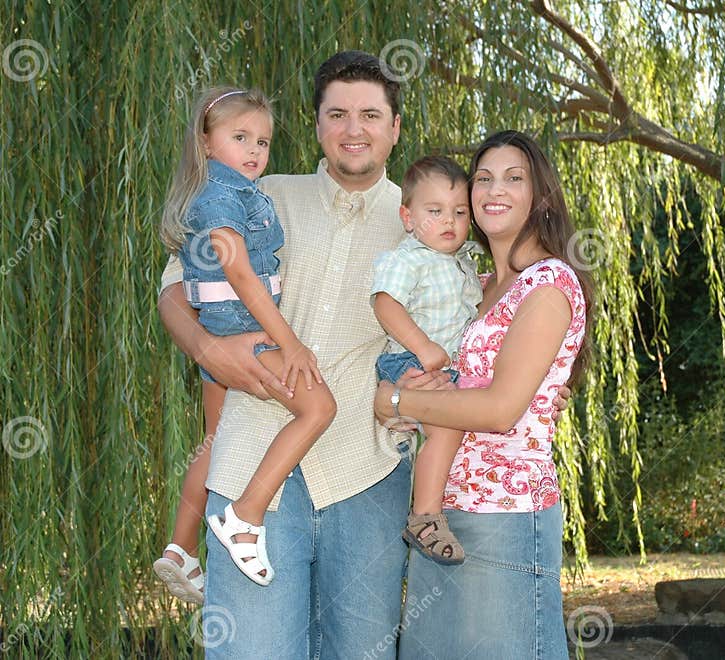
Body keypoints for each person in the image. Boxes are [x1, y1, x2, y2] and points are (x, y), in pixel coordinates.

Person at [158, 52, 570, 658]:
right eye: (338, 114)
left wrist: (493, 393)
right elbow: (174, 286)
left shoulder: (427, 218)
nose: (355, 129)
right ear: (317, 125)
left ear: (395, 127)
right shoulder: (259, 195)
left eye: (371, 115)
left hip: (368, 478)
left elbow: (480, 326)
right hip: (251, 471)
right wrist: (206, 346)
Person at [374, 130, 592, 659]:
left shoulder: (546, 284)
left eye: (514, 178)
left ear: (540, 196)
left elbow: (498, 410)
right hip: (441, 515)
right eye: (484, 179)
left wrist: (395, 403)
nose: (495, 190)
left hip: (505, 512)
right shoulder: (479, 282)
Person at [153, 86, 336, 598]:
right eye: (240, 137)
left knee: (215, 441)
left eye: (263, 141)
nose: (255, 150)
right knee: (318, 406)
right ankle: (246, 516)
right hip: (239, 331)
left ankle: (181, 548)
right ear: (207, 142)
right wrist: (290, 343)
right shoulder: (220, 199)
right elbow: (239, 273)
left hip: (218, 333)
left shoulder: (229, 191)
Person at [371, 156, 483, 564]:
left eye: (459, 212)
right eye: (434, 212)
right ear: (408, 216)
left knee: (449, 428)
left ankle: (428, 507)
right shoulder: (409, 258)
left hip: (438, 366)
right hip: (408, 361)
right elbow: (385, 303)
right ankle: (425, 517)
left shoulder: (462, 261)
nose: (448, 221)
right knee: (447, 428)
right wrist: (422, 346)